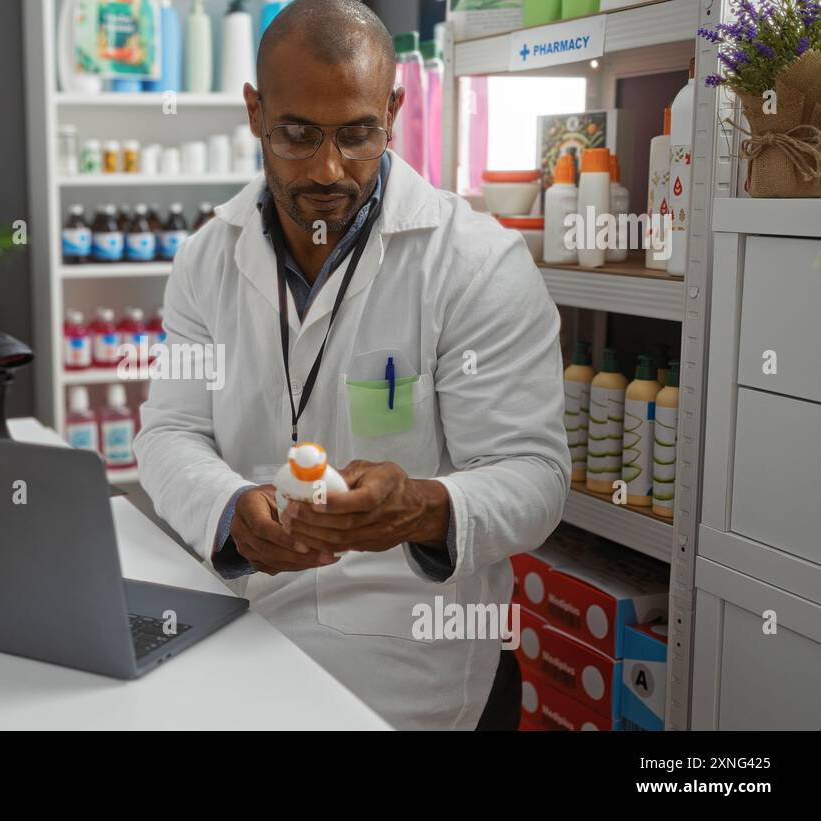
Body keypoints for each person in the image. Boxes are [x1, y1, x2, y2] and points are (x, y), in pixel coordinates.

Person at [132, 0, 569, 730]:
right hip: (241, 628)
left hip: (409, 663)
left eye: (358, 134)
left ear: (393, 112)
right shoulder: (209, 256)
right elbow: (169, 432)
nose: (329, 168)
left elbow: (535, 476)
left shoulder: (476, 263)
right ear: (255, 113)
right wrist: (230, 510)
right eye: (298, 135)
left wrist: (423, 508)